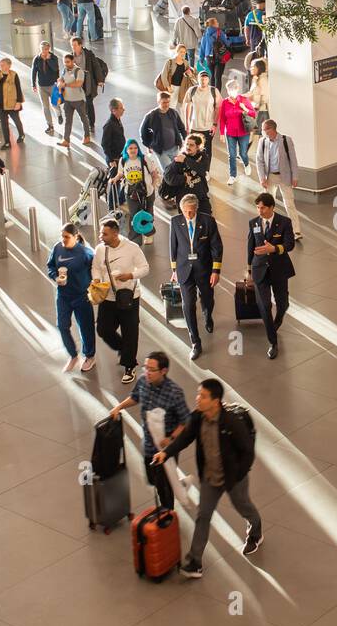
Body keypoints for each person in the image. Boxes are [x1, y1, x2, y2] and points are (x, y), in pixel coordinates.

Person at [155, 378, 263, 578]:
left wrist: (239, 475)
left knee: (243, 506)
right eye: (198, 394)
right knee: (203, 516)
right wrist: (166, 453)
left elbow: (248, 451)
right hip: (209, 477)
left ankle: (255, 531)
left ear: (216, 401)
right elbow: (185, 437)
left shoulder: (231, 422)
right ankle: (195, 561)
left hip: (233, 477)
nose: (198, 399)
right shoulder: (197, 417)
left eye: (203, 396)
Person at [108, 351, 191, 510]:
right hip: (148, 442)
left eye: (152, 369)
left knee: (163, 487)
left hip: (166, 446)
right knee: (152, 479)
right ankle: (178, 483)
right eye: (145, 367)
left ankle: (167, 516)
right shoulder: (142, 381)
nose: (147, 372)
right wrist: (119, 407)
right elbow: (135, 397)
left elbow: (186, 421)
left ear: (163, 371)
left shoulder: (174, 392)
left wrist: (170, 439)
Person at [91, 217, 150, 384]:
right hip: (108, 297)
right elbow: (95, 267)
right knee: (103, 329)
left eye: (105, 234)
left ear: (115, 233)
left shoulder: (132, 248)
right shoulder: (100, 249)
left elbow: (145, 268)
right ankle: (124, 349)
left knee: (130, 331)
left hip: (129, 297)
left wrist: (130, 275)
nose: (101, 236)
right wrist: (96, 280)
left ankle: (129, 366)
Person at [169, 194, 223, 360]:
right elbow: (173, 246)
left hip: (204, 269)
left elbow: (217, 247)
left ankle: (207, 315)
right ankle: (195, 342)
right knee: (188, 305)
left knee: (207, 299)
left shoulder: (208, 222)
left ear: (196, 209)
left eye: (191, 212)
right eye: (185, 212)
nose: (188, 215)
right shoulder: (176, 221)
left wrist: (216, 271)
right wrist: (174, 270)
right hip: (184, 270)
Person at [248, 192, 296, 360]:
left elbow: (290, 244)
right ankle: (273, 342)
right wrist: (248, 270)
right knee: (264, 305)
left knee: (282, 303)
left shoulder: (284, 222)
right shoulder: (253, 223)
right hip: (259, 269)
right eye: (258, 207)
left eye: (263, 208)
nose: (259, 211)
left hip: (279, 269)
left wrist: (274, 249)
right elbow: (250, 246)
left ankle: (279, 318)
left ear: (271, 208)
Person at [48, 223, 96, 372]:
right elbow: (50, 266)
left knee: (85, 327)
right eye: (62, 236)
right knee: (62, 326)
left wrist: (92, 286)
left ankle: (89, 356)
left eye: (66, 237)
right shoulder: (57, 248)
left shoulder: (85, 253)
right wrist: (55, 276)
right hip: (63, 295)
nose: (63, 239)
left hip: (81, 296)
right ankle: (73, 356)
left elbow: (95, 272)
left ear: (75, 237)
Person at [256, 119, 302, 240]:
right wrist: (262, 178)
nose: (263, 131)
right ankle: (267, 229)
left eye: (264, 129)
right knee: (267, 204)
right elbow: (259, 161)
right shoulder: (262, 142)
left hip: (284, 176)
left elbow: (293, 160)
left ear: (272, 129)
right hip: (269, 177)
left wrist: (295, 176)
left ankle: (296, 231)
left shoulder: (286, 140)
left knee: (289, 203)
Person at [217, 77, 257, 185]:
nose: (232, 91)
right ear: (227, 90)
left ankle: (247, 164)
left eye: (234, 89)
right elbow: (222, 119)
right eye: (230, 90)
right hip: (230, 133)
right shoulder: (225, 102)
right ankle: (232, 175)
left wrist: (245, 108)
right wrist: (221, 133)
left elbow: (253, 114)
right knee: (232, 155)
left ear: (237, 89)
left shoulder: (243, 100)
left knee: (243, 153)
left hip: (243, 132)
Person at [140, 90, 187, 177]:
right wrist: (149, 145)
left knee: (178, 169)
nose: (166, 105)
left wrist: (186, 141)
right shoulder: (151, 116)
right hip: (161, 151)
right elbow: (143, 132)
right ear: (158, 102)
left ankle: (178, 189)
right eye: (164, 102)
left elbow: (181, 128)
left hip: (175, 148)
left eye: (168, 102)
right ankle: (170, 190)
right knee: (169, 172)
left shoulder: (173, 113)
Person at [165, 133, 213, 215]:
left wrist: (186, 160)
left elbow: (203, 170)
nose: (188, 147)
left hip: (201, 197)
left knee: (207, 218)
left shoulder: (203, 156)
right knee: (188, 224)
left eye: (191, 145)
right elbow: (168, 177)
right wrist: (184, 179)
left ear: (197, 147)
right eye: (187, 144)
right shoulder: (179, 158)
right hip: (184, 200)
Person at [182, 69, 220, 172]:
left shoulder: (213, 91)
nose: (203, 81)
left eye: (205, 79)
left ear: (208, 80)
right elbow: (187, 107)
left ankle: (206, 171)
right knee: (192, 149)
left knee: (207, 151)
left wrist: (215, 124)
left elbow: (218, 108)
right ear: (198, 79)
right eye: (201, 79)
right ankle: (192, 169)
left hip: (208, 127)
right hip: (194, 126)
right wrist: (187, 124)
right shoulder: (192, 90)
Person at [70, 35, 105, 137]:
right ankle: (86, 121)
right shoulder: (70, 56)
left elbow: (96, 66)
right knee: (82, 104)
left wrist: (100, 80)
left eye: (75, 45)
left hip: (88, 81)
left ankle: (91, 124)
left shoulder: (88, 54)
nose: (73, 47)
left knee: (89, 102)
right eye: (72, 45)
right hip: (77, 83)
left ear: (80, 45)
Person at [57, 52, 92, 149]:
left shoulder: (78, 71)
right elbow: (60, 79)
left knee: (83, 118)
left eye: (68, 62)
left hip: (78, 100)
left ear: (73, 61)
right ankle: (66, 140)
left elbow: (78, 84)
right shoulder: (64, 70)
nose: (66, 64)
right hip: (67, 100)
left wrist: (65, 85)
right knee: (68, 121)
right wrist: (59, 82)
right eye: (64, 62)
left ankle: (87, 136)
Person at [0, 57, 26, 149]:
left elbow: (18, 89)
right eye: (0, 65)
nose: (1, 67)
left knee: (16, 120)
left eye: (3, 65)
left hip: (12, 103)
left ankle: (21, 134)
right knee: (4, 124)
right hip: (1, 104)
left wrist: (18, 102)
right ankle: (7, 142)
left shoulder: (14, 75)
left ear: (8, 65)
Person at [30, 40, 60, 136]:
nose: (44, 51)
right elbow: (34, 71)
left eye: (46, 49)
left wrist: (48, 60)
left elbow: (55, 69)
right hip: (42, 86)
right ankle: (50, 125)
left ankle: (59, 114)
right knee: (45, 107)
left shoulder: (54, 58)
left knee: (55, 104)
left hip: (52, 85)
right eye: (43, 49)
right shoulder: (37, 59)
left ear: (49, 49)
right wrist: (33, 84)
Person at [156, 43, 193, 107]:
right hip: (172, 87)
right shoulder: (169, 62)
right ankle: (171, 117)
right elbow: (163, 75)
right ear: (177, 51)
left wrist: (190, 74)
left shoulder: (186, 62)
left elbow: (189, 74)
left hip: (182, 87)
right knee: (172, 105)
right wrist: (168, 87)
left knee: (183, 105)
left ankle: (181, 117)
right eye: (181, 52)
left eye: (184, 52)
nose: (183, 54)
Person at [199, 18, 226, 89]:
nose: (218, 23)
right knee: (218, 77)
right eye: (217, 22)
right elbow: (227, 43)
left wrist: (201, 58)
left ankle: (212, 95)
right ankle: (217, 96)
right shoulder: (220, 32)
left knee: (212, 77)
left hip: (209, 57)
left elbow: (202, 46)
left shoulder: (205, 33)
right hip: (220, 57)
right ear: (213, 24)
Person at [102, 98, 126, 167]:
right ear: (114, 110)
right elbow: (104, 144)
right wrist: (111, 160)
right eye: (121, 108)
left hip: (120, 156)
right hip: (114, 160)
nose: (124, 109)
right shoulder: (109, 125)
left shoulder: (117, 120)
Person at [248, 57, 270, 125]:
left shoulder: (263, 80)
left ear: (259, 68)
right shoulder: (256, 78)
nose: (251, 69)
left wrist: (254, 100)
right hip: (258, 110)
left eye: (253, 67)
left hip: (263, 112)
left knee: (259, 132)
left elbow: (266, 97)